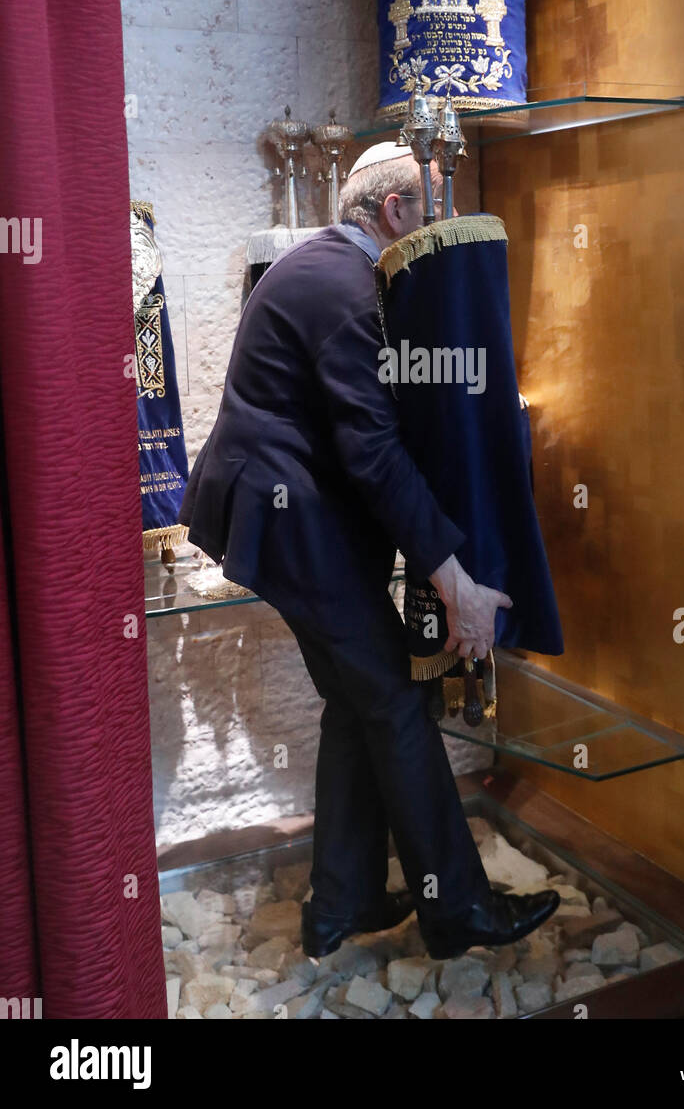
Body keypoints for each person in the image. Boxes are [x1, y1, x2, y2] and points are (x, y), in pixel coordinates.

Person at [179, 142, 560, 962]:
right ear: (394, 213)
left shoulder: (320, 265)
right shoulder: (350, 292)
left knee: (363, 701)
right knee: (393, 700)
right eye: (423, 216)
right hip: (289, 525)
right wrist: (453, 579)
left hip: (282, 517)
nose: (423, 236)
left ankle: (341, 904)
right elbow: (373, 454)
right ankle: (456, 910)